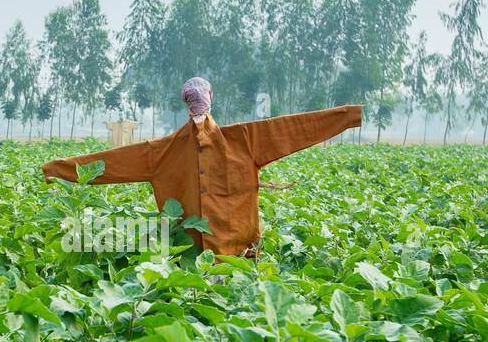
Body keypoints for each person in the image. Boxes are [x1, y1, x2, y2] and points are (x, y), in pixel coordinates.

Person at [41, 77, 361, 257]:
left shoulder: (243, 140)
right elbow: (113, 162)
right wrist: (61, 169)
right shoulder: (167, 151)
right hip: (203, 260)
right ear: (209, 100)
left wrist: (346, 117)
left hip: (233, 256)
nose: (198, 116)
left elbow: (295, 127)